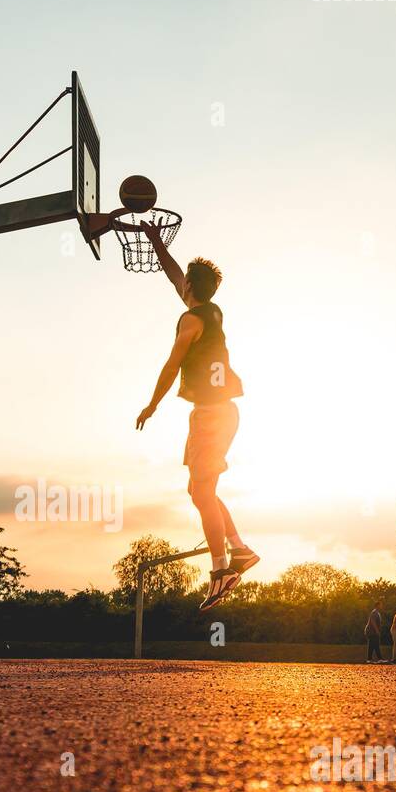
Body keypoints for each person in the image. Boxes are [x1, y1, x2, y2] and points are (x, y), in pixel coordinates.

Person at [135, 225, 258, 612]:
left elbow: (172, 365)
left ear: (190, 287)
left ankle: (222, 569)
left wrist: (152, 404)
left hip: (213, 417)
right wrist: (156, 243)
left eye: (183, 282)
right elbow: (175, 274)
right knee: (198, 491)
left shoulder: (191, 322)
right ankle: (239, 550)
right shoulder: (209, 310)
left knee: (202, 492)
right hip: (214, 414)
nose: (179, 283)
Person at [365, 598, 386, 662]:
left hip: (372, 631)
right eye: (380, 605)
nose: (381, 606)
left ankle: (369, 659)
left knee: (372, 645)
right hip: (372, 631)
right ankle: (379, 659)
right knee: (375, 644)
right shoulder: (374, 612)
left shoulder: (377, 612)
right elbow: (373, 622)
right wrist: (377, 630)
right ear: (377, 606)